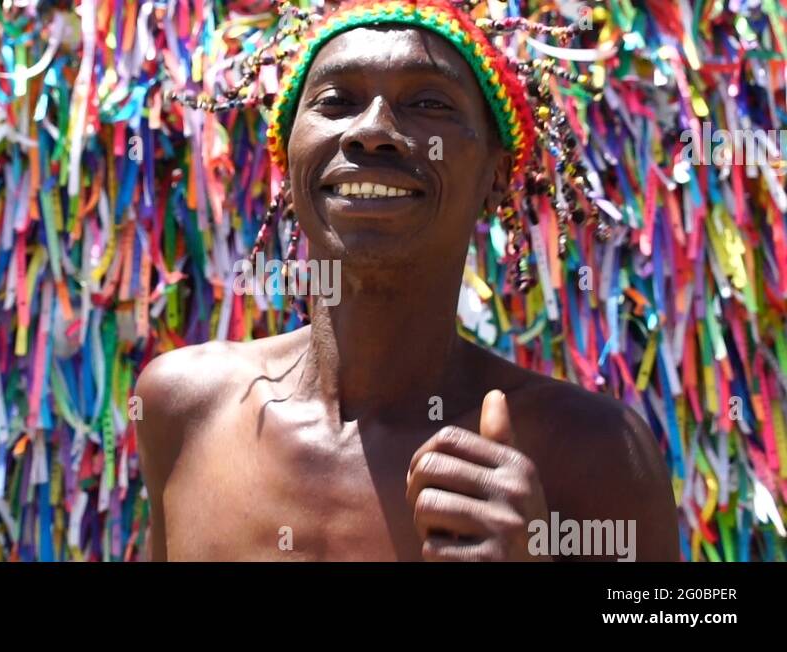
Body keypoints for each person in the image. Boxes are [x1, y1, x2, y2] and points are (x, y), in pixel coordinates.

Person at [136, 0, 680, 561]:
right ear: (288, 151)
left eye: (428, 102)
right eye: (335, 101)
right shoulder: (183, 407)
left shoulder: (594, 453)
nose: (372, 132)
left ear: (496, 175)